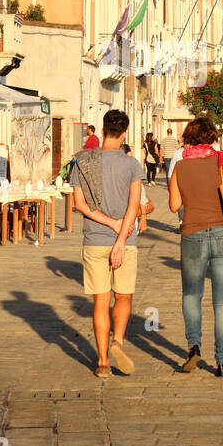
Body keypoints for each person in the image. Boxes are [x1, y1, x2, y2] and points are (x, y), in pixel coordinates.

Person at [70, 110, 144, 378]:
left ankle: (102, 363)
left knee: (101, 301)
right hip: (126, 240)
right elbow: (134, 206)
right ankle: (118, 342)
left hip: (94, 240)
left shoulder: (82, 161)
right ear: (124, 134)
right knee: (123, 296)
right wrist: (121, 238)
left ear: (101, 131)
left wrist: (108, 224)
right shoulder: (132, 165)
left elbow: (79, 205)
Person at [168, 116, 223, 377]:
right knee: (222, 303)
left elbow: (174, 205)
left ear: (188, 138)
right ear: (212, 137)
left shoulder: (180, 167)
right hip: (222, 233)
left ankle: (194, 346)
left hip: (193, 234)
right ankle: (222, 362)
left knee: (191, 295)